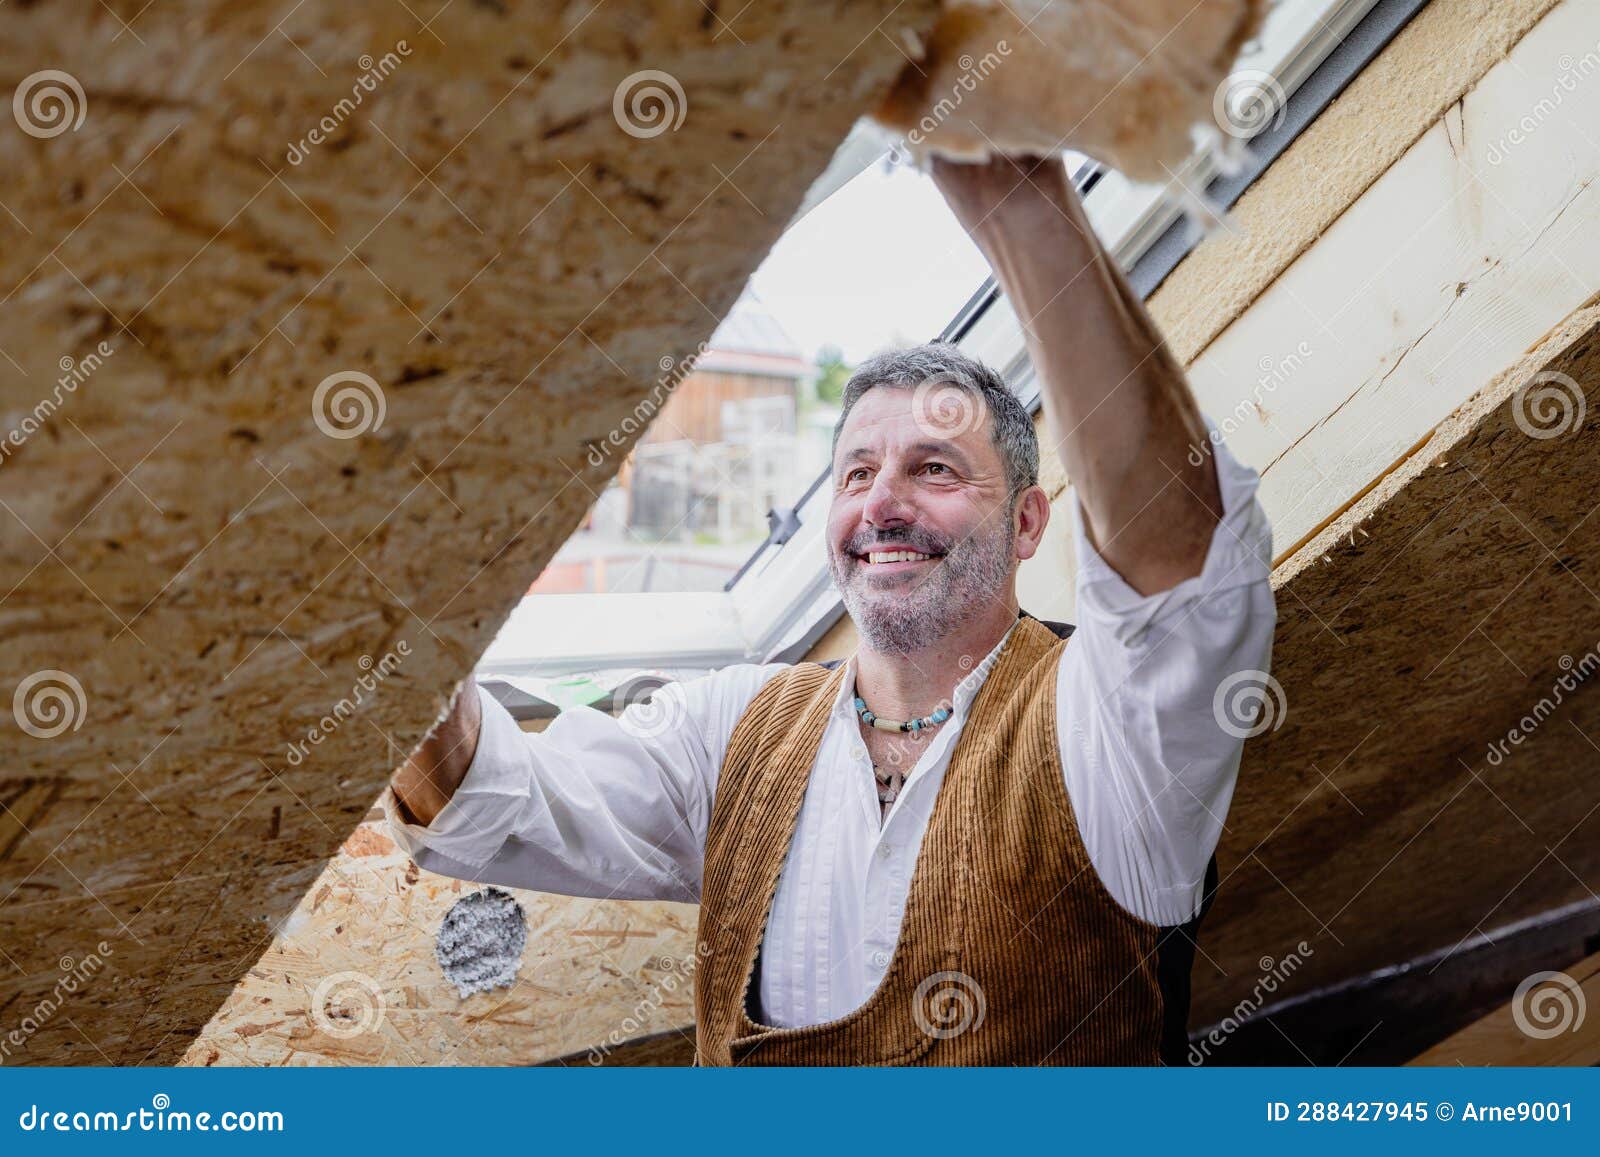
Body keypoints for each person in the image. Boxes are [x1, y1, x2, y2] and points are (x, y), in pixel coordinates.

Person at [384, 153, 1276, 1065]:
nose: (881, 504)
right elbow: (488, 798)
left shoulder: (1105, 723)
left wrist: (1022, 203)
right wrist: (398, 568)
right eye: (856, 473)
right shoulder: (733, 727)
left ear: (1026, 521)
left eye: (933, 468)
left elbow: (1180, 551)